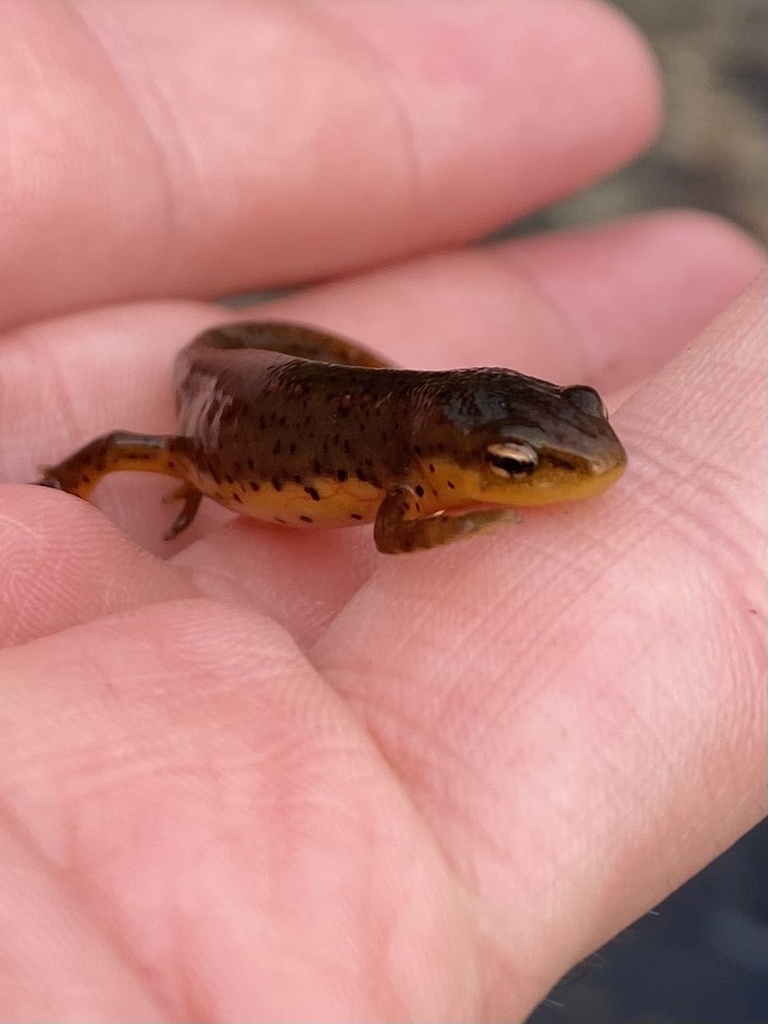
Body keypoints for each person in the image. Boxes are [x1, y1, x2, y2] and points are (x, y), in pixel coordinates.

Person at [0, 1, 764, 1019]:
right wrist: (481, 518)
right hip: (235, 422)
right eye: (515, 464)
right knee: (170, 453)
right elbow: (400, 533)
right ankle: (83, 476)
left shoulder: (429, 432)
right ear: (457, 463)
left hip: (330, 391)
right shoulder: (409, 485)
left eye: (553, 436)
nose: (561, 472)